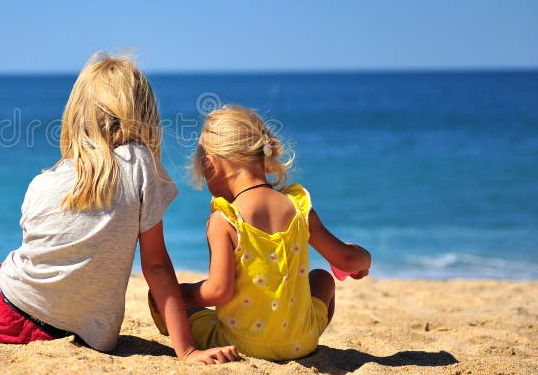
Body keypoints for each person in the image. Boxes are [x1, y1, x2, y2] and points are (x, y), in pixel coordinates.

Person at [0, 53, 240, 364]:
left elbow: (40, 248)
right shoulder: (142, 165)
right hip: (93, 336)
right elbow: (156, 267)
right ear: (143, 114)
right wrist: (186, 351)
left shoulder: (44, 183)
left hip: (10, 312)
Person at [149, 105, 371, 360]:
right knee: (322, 278)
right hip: (300, 343)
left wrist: (179, 292)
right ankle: (294, 340)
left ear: (211, 164)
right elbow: (346, 259)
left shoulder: (225, 219)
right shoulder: (299, 207)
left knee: (167, 300)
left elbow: (218, 291)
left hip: (240, 344)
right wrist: (363, 259)